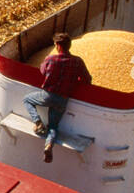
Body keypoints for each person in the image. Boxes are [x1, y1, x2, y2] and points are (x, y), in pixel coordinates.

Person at [24, 32, 92, 162]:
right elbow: (87, 80)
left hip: (47, 95)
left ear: (58, 46)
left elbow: (42, 71)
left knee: (27, 99)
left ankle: (37, 122)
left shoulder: (50, 59)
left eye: (55, 44)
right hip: (62, 99)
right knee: (53, 127)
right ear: (69, 46)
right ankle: (49, 145)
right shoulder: (78, 62)